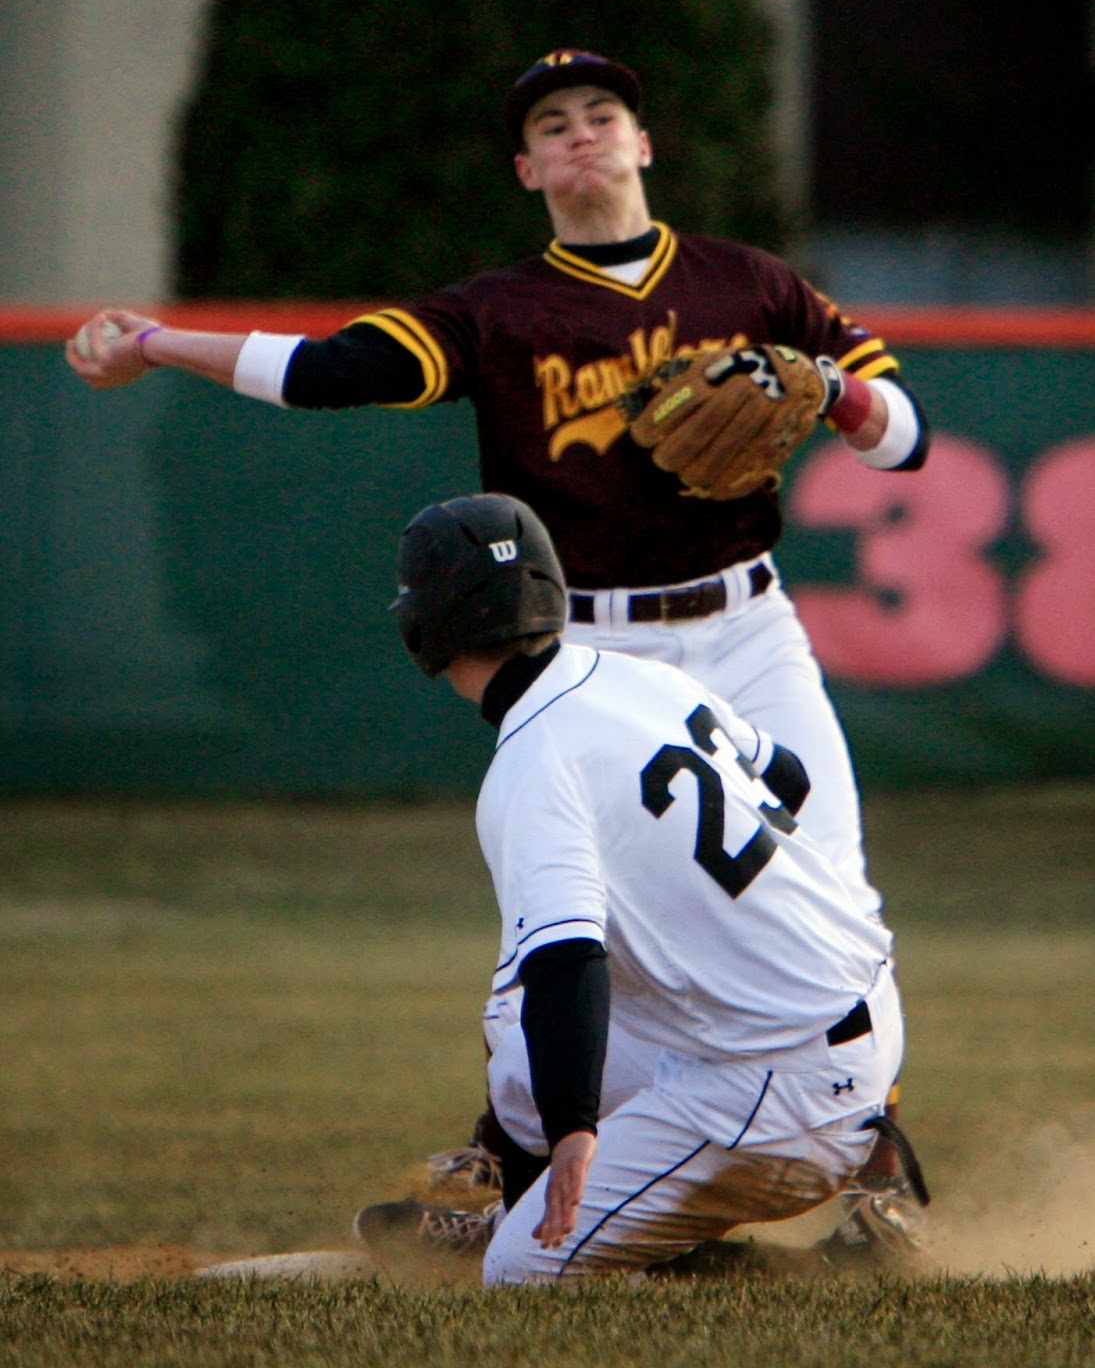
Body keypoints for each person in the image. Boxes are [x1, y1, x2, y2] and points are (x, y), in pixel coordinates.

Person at [66, 48, 930, 1260]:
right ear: (526, 168)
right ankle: (513, 1163)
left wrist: (834, 389)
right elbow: (331, 371)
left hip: (745, 628)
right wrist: (161, 340)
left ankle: (874, 1167)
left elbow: (909, 442)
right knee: (568, 919)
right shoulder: (502, 309)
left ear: (644, 143)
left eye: (604, 113)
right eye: (554, 125)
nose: (582, 133)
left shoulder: (755, 285)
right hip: (588, 644)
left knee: (828, 893)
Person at [358, 490, 926, 1284]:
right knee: (515, 1022)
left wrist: (574, 1135)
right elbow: (787, 781)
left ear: (433, 619)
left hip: (778, 1092)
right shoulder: (634, 678)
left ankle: (782, 1275)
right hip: (855, 1023)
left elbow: (568, 963)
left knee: (525, 1273)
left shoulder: (533, 761)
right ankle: (531, 1215)